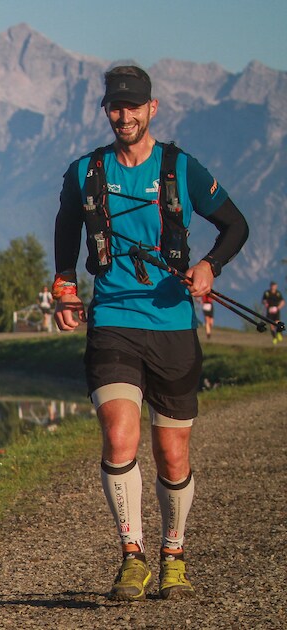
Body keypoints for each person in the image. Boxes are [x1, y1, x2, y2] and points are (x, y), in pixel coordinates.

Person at [52, 65, 249, 602]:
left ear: (152, 109)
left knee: (172, 453)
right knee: (119, 437)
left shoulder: (180, 168)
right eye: (115, 107)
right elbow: (67, 224)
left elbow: (236, 225)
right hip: (113, 320)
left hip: (172, 325)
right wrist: (66, 283)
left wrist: (209, 266)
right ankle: (132, 556)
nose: (125, 116)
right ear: (106, 110)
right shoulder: (85, 171)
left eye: (134, 106)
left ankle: (174, 555)